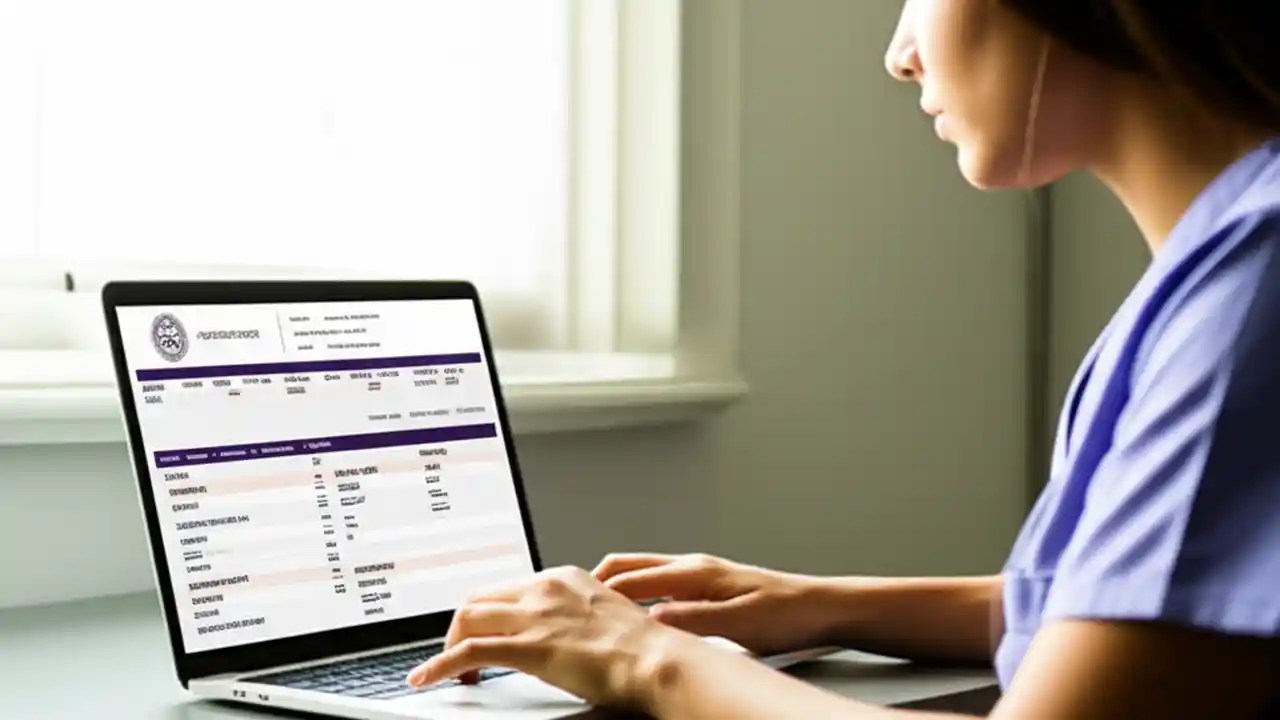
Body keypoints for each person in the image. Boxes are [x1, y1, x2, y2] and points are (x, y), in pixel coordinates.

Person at [406, 1, 1280, 716]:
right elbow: (1140, 611)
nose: (900, 54)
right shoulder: (1229, 264)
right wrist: (826, 604)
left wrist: (643, 658)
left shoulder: (1254, 294)